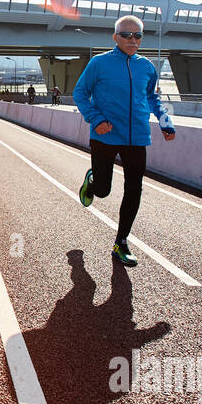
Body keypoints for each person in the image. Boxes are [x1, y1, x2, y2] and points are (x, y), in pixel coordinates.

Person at [73, 15, 176, 267]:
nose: (132, 40)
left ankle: (121, 242)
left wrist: (164, 120)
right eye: (126, 35)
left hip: (137, 136)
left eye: (137, 35)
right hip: (105, 135)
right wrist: (96, 119)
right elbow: (80, 93)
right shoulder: (99, 63)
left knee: (134, 189)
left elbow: (151, 98)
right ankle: (93, 180)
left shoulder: (147, 67)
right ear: (115, 37)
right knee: (103, 191)